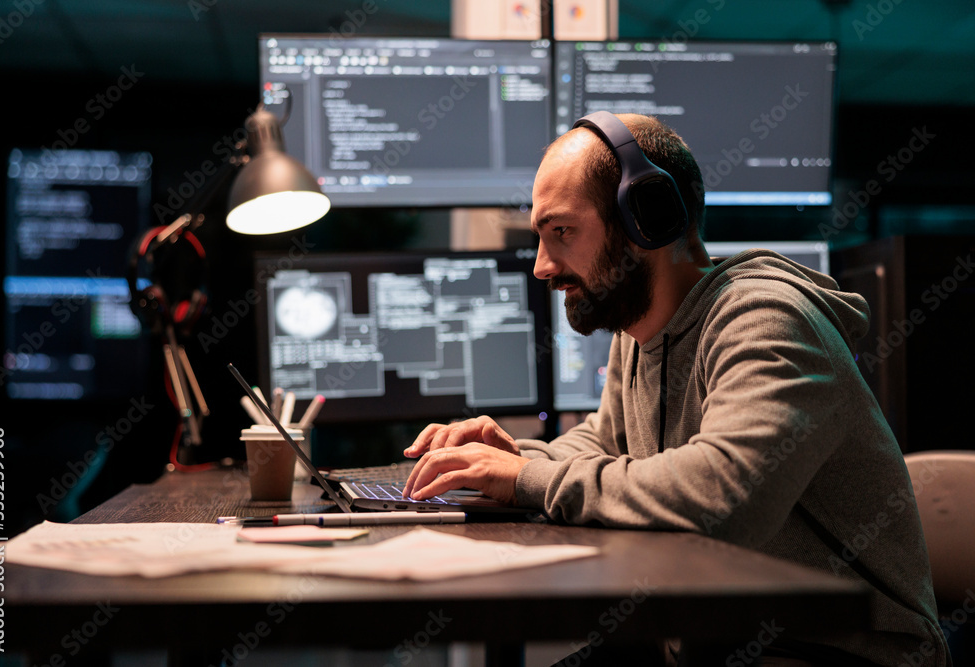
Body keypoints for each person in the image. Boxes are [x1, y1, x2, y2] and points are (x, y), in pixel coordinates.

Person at [402, 112, 949, 666]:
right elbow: (602, 443)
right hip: (709, 635)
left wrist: (528, 479)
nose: (543, 266)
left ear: (649, 219)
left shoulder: (765, 318)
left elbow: (725, 496)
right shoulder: (639, 332)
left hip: (834, 649)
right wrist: (509, 460)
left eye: (562, 231)